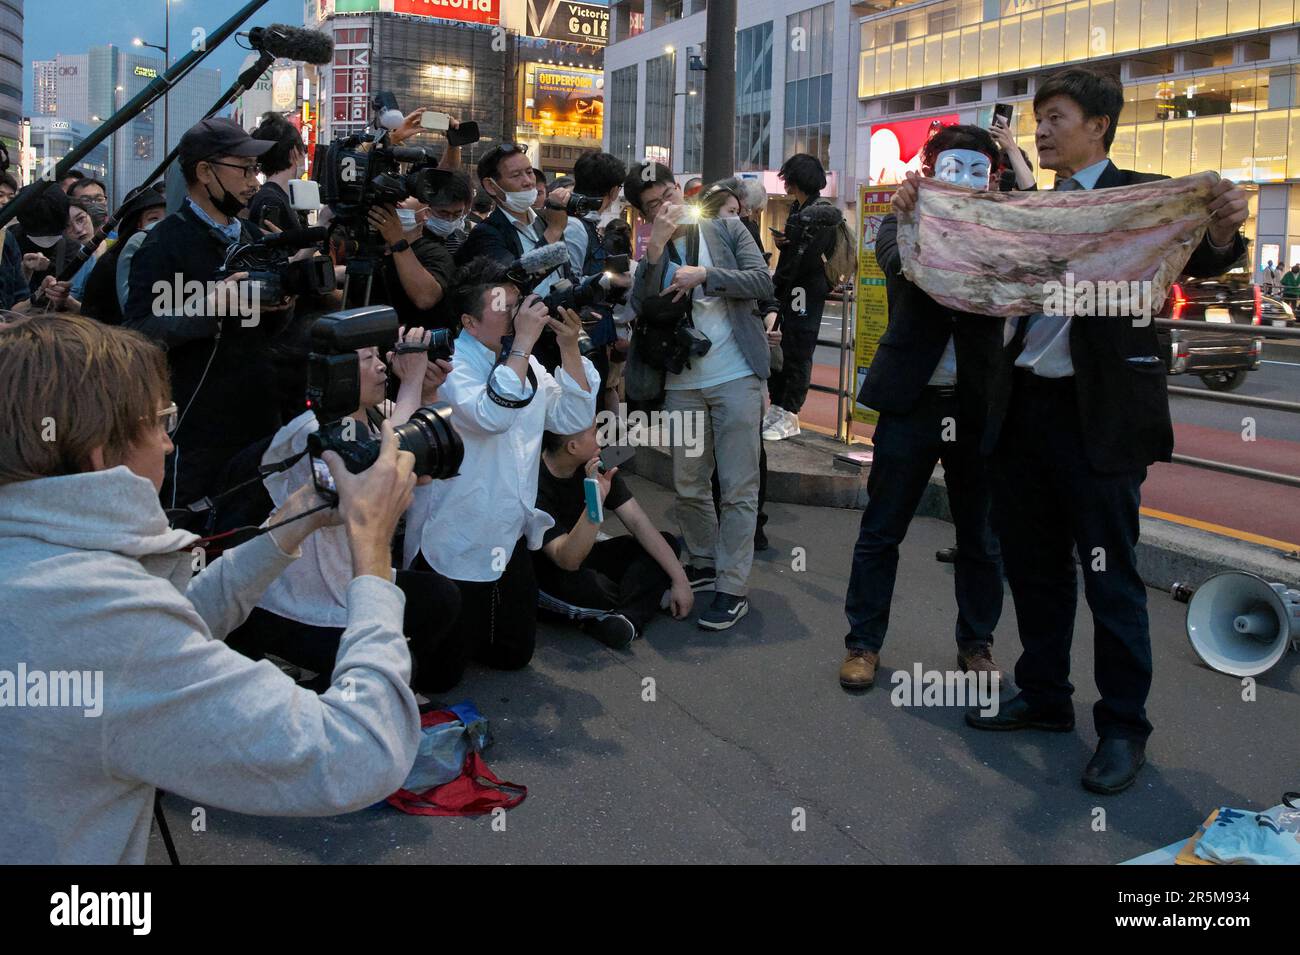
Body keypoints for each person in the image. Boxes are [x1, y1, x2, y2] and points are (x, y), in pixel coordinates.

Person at [0, 313, 423, 864]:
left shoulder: (46, 568)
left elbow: (168, 624)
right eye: (159, 422)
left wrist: (291, 523)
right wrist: (371, 555)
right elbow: (354, 755)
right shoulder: (98, 613)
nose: (170, 446)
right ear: (100, 455)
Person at [954, 67, 1249, 794]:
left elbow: (1207, 251)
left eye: (1055, 116)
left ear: (1099, 125)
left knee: (1111, 577)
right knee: (1035, 569)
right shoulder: (1027, 208)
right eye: (1039, 118)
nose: (1042, 130)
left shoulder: (1144, 197)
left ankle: (1123, 726)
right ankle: (1046, 695)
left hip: (1102, 418)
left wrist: (1222, 223)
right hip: (1023, 410)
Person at [839, 124, 1006, 692]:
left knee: (981, 535)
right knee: (882, 528)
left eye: (978, 170)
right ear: (929, 173)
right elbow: (896, 265)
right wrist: (913, 214)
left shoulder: (1005, 230)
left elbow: (1041, 255)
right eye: (951, 169)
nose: (963, 180)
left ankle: (976, 645)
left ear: (994, 180)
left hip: (978, 403)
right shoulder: (899, 220)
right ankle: (863, 643)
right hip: (912, 401)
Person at [225, 327, 462, 694]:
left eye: (377, 354)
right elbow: (382, 467)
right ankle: (312, 696)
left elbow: (419, 473)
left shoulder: (369, 415)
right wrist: (412, 382)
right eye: (367, 359)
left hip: (347, 578)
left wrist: (422, 386)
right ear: (333, 376)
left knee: (440, 599)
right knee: (391, 671)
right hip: (303, 603)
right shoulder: (311, 435)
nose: (383, 363)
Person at [402, 256, 599, 691]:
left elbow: (571, 416)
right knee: (441, 678)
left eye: (516, 303)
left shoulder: (523, 361)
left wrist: (568, 347)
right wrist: (524, 343)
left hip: (507, 529)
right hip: (457, 531)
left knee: (513, 655)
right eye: (501, 305)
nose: (515, 313)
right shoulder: (453, 368)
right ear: (470, 322)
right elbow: (492, 415)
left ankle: (483, 622)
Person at [624, 162, 774, 631]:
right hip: (682, 381)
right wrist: (655, 250)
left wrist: (705, 275)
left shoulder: (728, 227)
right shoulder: (652, 243)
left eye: (669, 192)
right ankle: (705, 561)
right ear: (644, 213)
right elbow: (639, 307)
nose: (666, 204)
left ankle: (732, 586)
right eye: (653, 204)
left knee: (737, 486)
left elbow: (762, 282)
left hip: (736, 376)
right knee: (689, 482)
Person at [123, 117, 288, 512]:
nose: (254, 181)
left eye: (257, 170)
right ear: (204, 171)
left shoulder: (253, 238)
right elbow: (137, 334)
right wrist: (208, 308)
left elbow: (265, 332)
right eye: (244, 169)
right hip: (196, 430)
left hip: (259, 419)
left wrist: (282, 304)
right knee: (195, 540)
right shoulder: (163, 243)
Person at [533, 423, 694, 647]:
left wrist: (680, 580)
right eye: (593, 432)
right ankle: (639, 601)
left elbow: (638, 523)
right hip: (552, 569)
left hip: (588, 555)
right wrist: (594, 500)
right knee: (598, 591)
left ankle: (625, 619)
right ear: (573, 446)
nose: (600, 438)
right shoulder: (534, 482)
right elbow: (567, 559)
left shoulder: (597, 462)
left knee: (665, 544)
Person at [762, 153, 842, 442]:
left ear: (796, 180)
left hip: (805, 292)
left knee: (798, 350)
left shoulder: (820, 213)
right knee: (782, 346)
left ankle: (790, 412)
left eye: (788, 178)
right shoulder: (799, 207)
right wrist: (786, 243)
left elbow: (807, 260)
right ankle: (779, 406)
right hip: (791, 290)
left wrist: (789, 248)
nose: (785, 184)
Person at [362, 192, 456, 326]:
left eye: (407, 194)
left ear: (426, 213)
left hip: (414, 341)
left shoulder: (436, 254)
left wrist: (397, 240)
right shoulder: (374, 251)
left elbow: (425, 298)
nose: (398, 201)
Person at [80, 183, 167, 325]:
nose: (162, 224)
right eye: (153, 219)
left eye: (167, 217)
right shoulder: (111, 264)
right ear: (138, 225)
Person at [248, 111, 309, 232]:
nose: (305, 155)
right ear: (295, 152)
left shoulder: (272, 196)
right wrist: (322, 223)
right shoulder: (271, 201)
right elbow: (281, 250)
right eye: (304, 149)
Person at [423, 168, 474, 258]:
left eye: (457, 214)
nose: (449, 220)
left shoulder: (464, 241)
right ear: (427, 207)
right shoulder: (414, 240)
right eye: (443, 213)